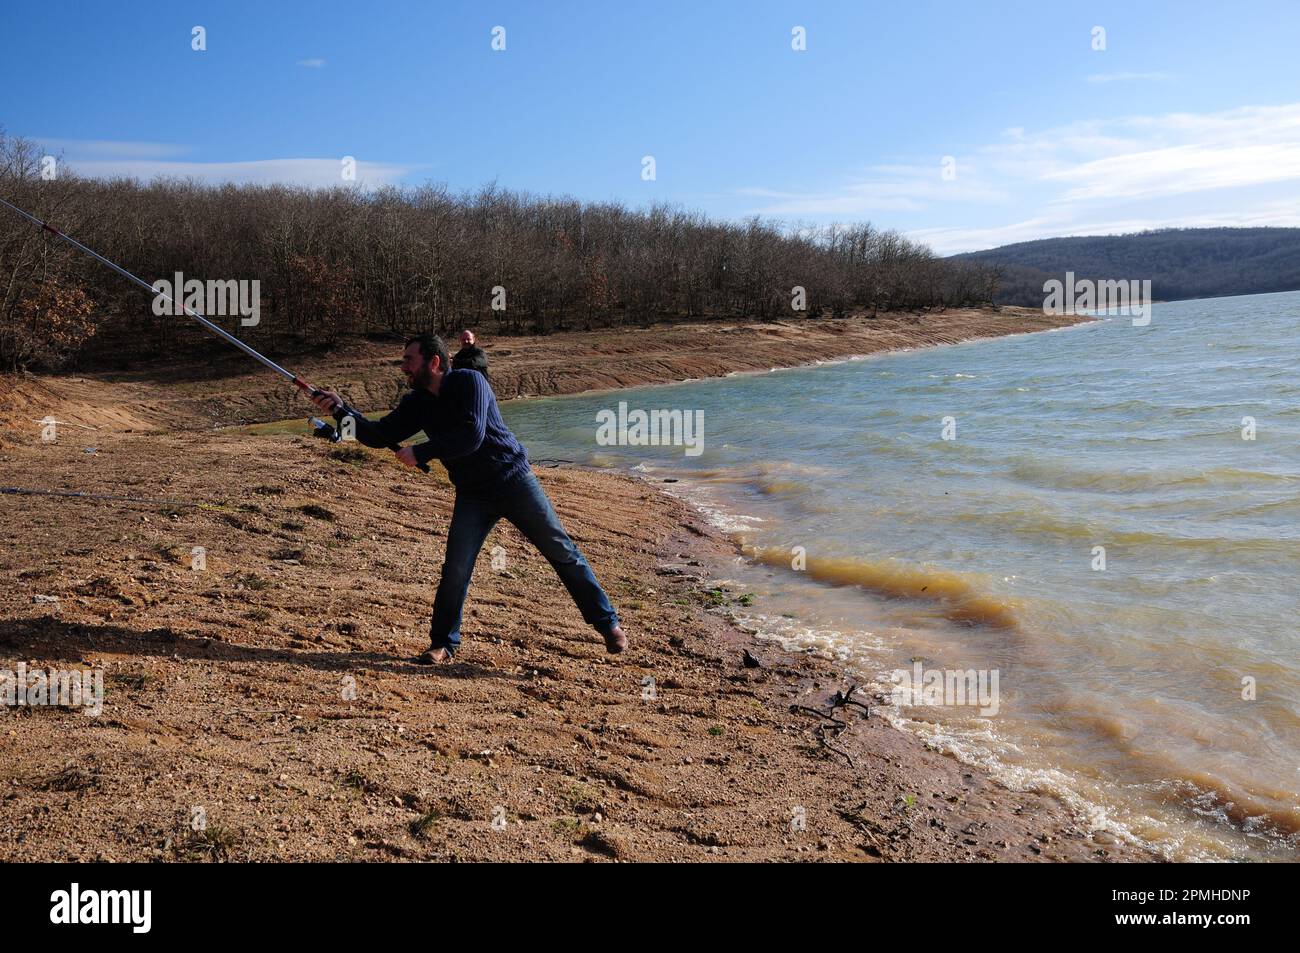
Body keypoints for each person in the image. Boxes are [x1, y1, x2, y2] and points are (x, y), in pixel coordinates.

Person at [310, 333, 626, 663]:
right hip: (473, 493)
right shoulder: (416, 402)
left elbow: (472, 434)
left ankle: (608, 624)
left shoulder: (470, 382)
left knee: (561, 550)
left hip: (514, 480)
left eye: (409, 360)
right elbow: (378, 436)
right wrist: (340, 411)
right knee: (456, 569)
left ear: (434, 362)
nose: (402, 366)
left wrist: (421, 451)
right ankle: (444, 644)